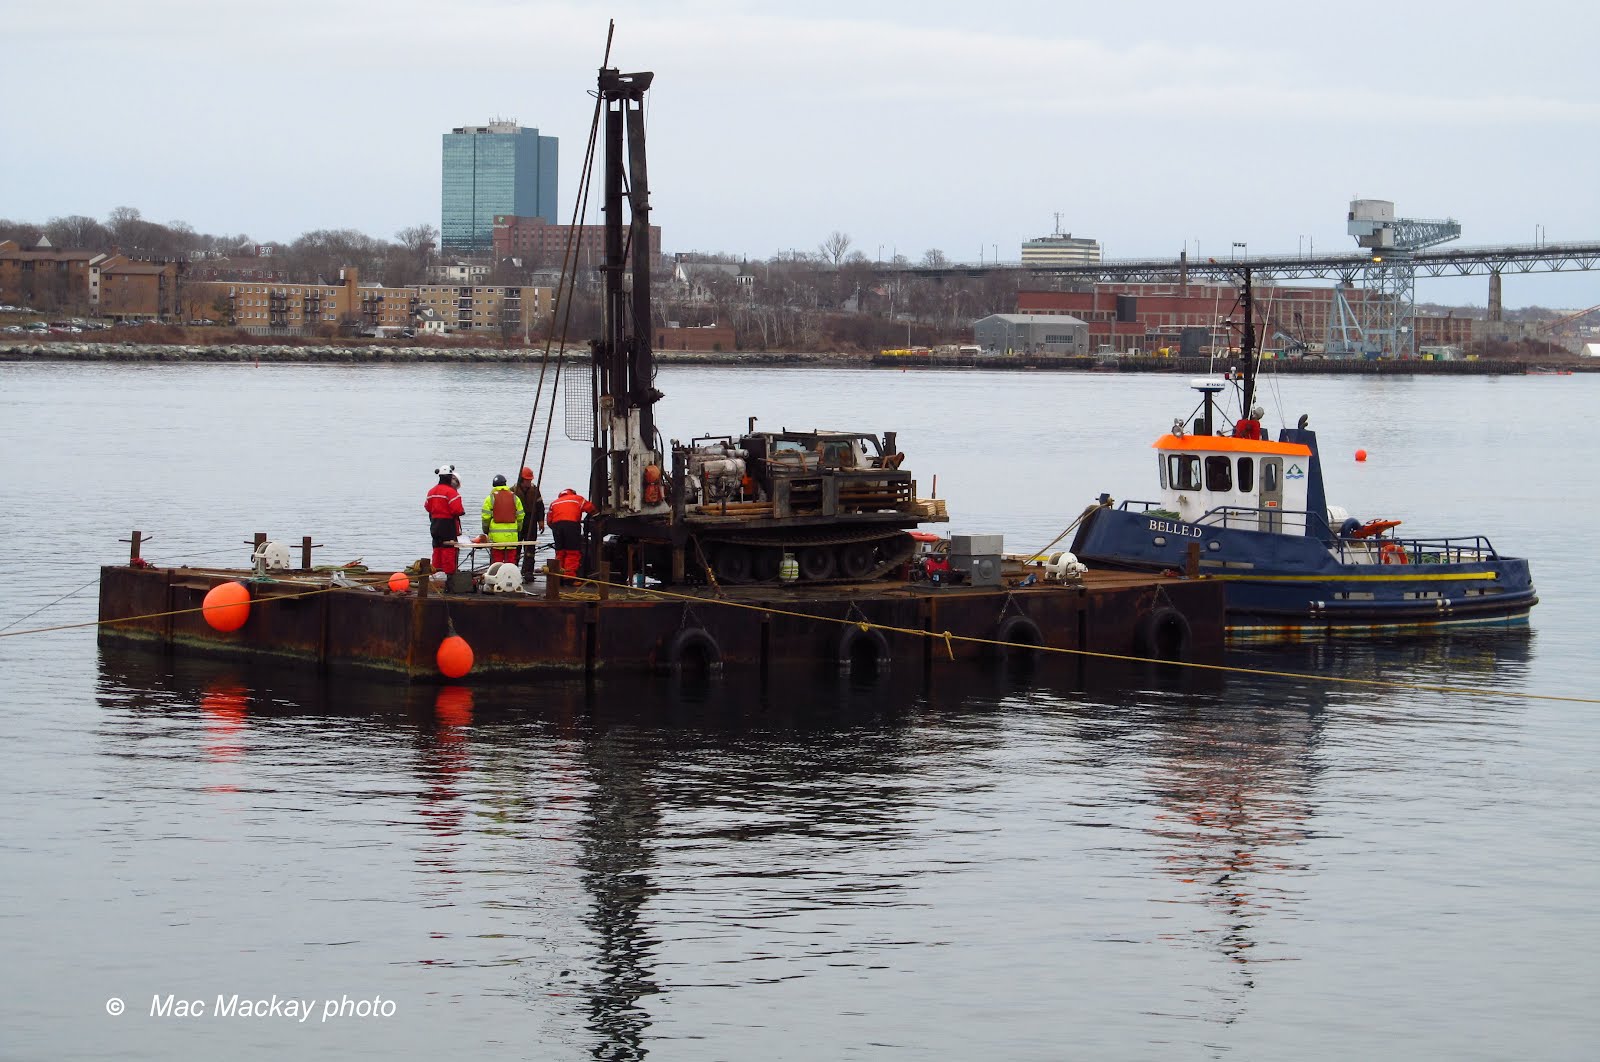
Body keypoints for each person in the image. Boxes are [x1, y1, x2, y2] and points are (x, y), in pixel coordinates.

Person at [424, 463, 465, 574]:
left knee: (437, 550)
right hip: (448, 526)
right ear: (449, 477)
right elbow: (458, 510)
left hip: (435, 526)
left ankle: (436, 575)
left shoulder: (431, 491)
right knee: (449, 552)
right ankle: (449, 578)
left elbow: (427, 507)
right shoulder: (451, 492)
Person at [546, 487, 596, 578]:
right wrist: (597, 516)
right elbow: (590, 508)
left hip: (556, 526)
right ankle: (569, 577)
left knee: (560, 552)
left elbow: (549, 521)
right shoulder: (577, 499)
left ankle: (558, 575)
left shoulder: (554, 503)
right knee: (572, 552)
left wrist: (557, 530)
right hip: (571, 525)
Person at [480, 474, 525, 565]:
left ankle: (497, 577)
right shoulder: (515, 498)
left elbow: (485, 518)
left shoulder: (490, 498)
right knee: (511, 563)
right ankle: (511, 577)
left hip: (496, 539)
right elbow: (520, 516)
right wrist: (518, 529)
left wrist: (486, 530)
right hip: (512, 537)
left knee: (497, 564)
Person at [512, 466, 545, 574]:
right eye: (527, 480)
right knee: (515, 549)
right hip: (517, 523)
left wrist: (541, 521)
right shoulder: (512, 491)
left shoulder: (535, 490)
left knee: (530, 549)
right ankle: (513, 572)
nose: (529, 482)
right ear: (521, 480)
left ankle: (528, 572)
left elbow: (540, 506)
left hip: (531, 521)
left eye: (530, 480)